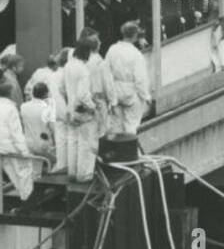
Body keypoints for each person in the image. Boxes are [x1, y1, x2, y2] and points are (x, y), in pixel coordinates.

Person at [62, 37, 102, 182]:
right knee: (86, 143)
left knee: (72, 141)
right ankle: (84, 175)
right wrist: (93, 106)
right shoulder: (84, 70)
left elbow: (64, 88)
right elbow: (83, 94)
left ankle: (72, 172)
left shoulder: (68, 65)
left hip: (70, 109)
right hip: (82, 111)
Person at [104, 21, 152, 135]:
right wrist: (146, 96)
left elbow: (106, 73)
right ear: (135, 36)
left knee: (117, 127)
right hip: (131, 91)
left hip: (116, 89)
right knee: (132, 126)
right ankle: (130, 150)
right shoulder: (135, 54)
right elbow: (140, 79)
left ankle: (118, 151)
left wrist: (111, 96)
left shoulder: (112, 49)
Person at [0, 93, 35, 203]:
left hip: (3, 148)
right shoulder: (10, 108)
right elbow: (16, 133)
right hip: (8, 148)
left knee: (13, 173)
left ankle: (25, 200)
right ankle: (27, 202)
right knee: (25, 172)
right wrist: (24, 152)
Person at [20, 81, 54, 164]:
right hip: (44, 146)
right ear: (45, 94)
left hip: (28, 144)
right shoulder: (47, 108)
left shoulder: (23, 107)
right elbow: (53, 129)